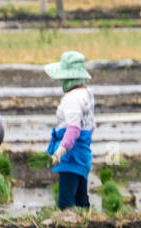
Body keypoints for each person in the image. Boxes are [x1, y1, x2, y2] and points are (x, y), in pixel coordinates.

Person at [44, 51, 95, 210]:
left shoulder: (71, 98)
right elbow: (91, 126)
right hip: (83, 154)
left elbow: (73, 130)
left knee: (66, 202)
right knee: (81, 200)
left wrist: (60, 151)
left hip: (70, 156)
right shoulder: (87, 94)